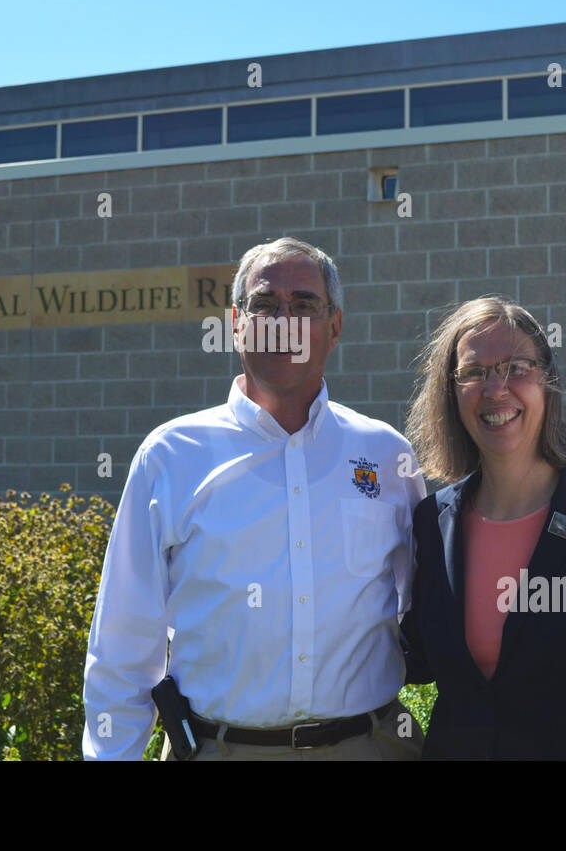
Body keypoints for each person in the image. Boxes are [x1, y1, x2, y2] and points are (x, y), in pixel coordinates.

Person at [82, 237, 426, 760]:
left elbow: (424, 611)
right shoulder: (171, 456)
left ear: (334, 327)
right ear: (238, 324)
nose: (283, 319)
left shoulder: (386, 457)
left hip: (370, 747)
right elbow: (122, 647)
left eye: (304, 304)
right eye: (265, 304)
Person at [400, 295, 566, 759]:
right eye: (473, 372)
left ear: (548, 382)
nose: (495, 389)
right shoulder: (432, 523)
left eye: (515, 367)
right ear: (450, 393)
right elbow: (415, 658)